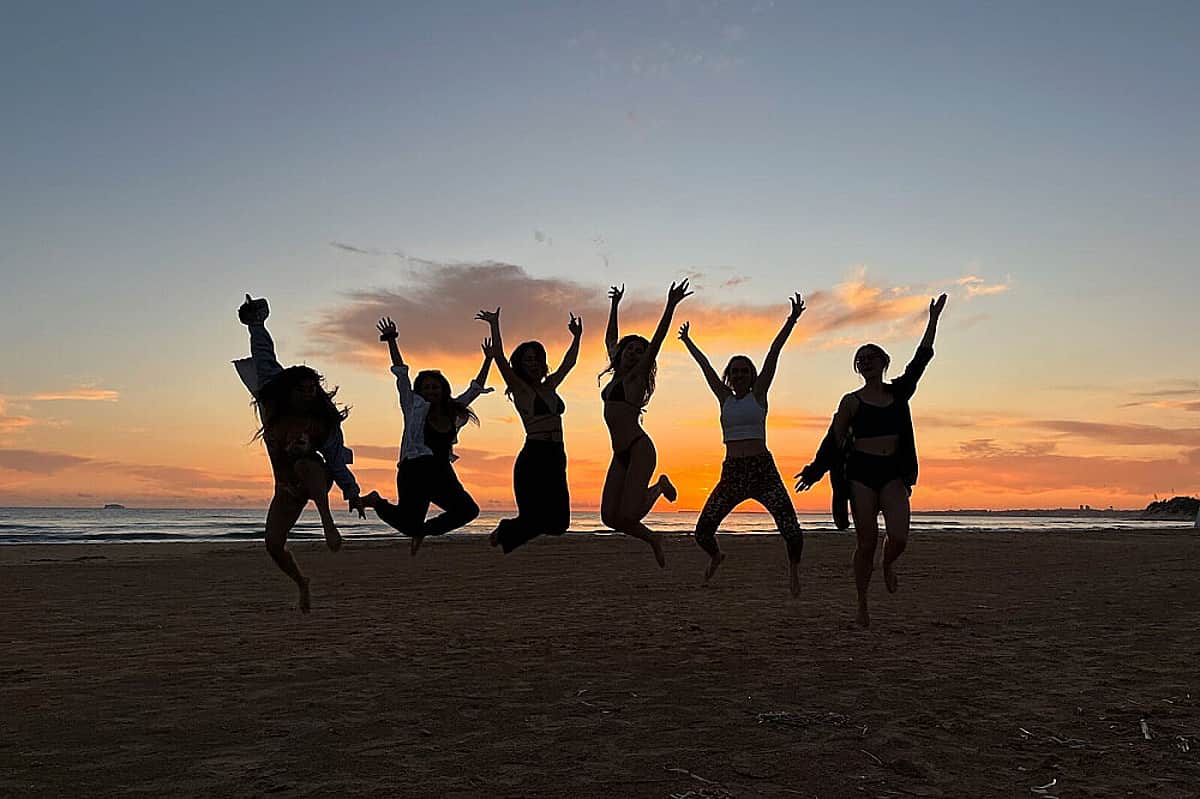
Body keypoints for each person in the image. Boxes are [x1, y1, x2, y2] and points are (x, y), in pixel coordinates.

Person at [797, 294, 946, 627]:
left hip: (893, 473)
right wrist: (816, 470)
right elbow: (833, 442)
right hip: (861, 474)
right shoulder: (850, 401)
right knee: (866, 542)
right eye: (860, 359)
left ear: (883, 362)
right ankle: (862, 602)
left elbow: (922, 359)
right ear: (857, 367)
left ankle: (889, 564)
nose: (865, 362)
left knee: (900, 539)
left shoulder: (898, 392)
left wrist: (932, 320)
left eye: (871, 357)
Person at [233, 294, 364, 613]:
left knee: (306, 462)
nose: (308, 395)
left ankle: (327, 524)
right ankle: (301, 583)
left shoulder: (323, 422)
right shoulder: (273, 400)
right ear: (291, 389)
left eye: (312, 390)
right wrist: (256, 323)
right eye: (302, 390)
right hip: (285, 486)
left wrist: (351, 491)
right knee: (273, 545)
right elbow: (264, 355)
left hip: (315, 476)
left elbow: (334, 459)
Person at [678, 293, 806, 595]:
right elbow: (706, 368)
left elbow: (774, 352)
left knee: (792, 530)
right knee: (702, 532)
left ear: (751, 376)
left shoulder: (759, 394)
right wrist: (687, 342)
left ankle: (794, 570)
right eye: (734, 371)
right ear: (729, 376)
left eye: (744, 371)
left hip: (763, 469)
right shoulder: (724, 398)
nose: (738, 375)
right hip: (733, 471)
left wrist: (791, 320)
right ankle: (717, 557)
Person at [359, 317, 493, 555]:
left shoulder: (453, 409)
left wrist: (489, 359)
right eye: (426, 387)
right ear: (419, 391)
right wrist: (391, 340)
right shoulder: (413, 406)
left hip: (442, 473)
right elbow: (401, 374)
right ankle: (377, 502)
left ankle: (423, 530)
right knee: (409, 525)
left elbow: (475, 389)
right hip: (414, 471)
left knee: (468, 511)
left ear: (443, 390)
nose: (431, 391)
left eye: (435, 387)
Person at [598, 281, 690, 567]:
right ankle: (653, 539)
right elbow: (610, 339)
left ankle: (660, 486)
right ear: (622, 353)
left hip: (639, 449)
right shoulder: (616, 374)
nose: (635, 354)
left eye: (640, 351)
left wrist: (671, 305)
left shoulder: (636, 379)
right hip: (620, 453)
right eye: (631, 349)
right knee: (609, 517)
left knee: (629, 515)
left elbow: (659, 340)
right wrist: (614, 305)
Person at [475, 306, 582, 552]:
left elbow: (570, 362)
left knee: (559, 523)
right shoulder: (520, 389)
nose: (533, 364)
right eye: (528, 360)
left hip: (557, 455)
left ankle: (506, 532)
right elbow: (500, 357)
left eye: (537, 358)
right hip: (534, 455)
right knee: (532, 517)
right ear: (521, 365)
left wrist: (576, 337)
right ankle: (506, 531)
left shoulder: (551, 385)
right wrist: (494, 323)